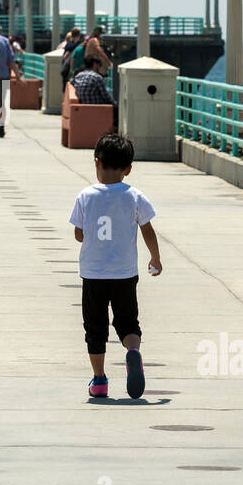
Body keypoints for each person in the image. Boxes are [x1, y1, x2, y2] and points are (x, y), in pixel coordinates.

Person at [69, 132, 161, 400]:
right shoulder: (134, 195)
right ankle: (133, 352)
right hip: (125, 273)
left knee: (95, 328)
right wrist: (155, 258)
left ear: (96, 162)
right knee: (128, 322)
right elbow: (148, 230)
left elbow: (79, 234)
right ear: (128, 169)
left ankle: (99, 381)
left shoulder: (86, 195)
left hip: (93, 274)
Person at [70, 56, 118, 130]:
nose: (99, 68)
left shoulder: (78, 76)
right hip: (96, 108)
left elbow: (71, 84)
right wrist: (115, 105)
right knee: (116, 110)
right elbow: (106, 97)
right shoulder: (96, 77)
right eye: (99, 65)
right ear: (95, 64)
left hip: (82, 107)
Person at [61, 27, 84, 93]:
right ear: (79, 35)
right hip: (69, 70)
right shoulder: (75, 45)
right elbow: (68, 56)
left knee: (65, 87)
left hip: (65, 68)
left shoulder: (69, 43)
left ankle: (65, 101)